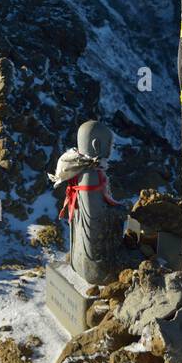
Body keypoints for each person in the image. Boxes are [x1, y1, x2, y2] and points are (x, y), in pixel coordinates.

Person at [48, 120, 124, 285]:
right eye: (109, 144)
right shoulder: (91, 175)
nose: (111, 148)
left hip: (78, 259)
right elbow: (95, 218)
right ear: (96, 145)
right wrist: (119, 212)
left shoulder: (78, 169)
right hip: (95, 266)